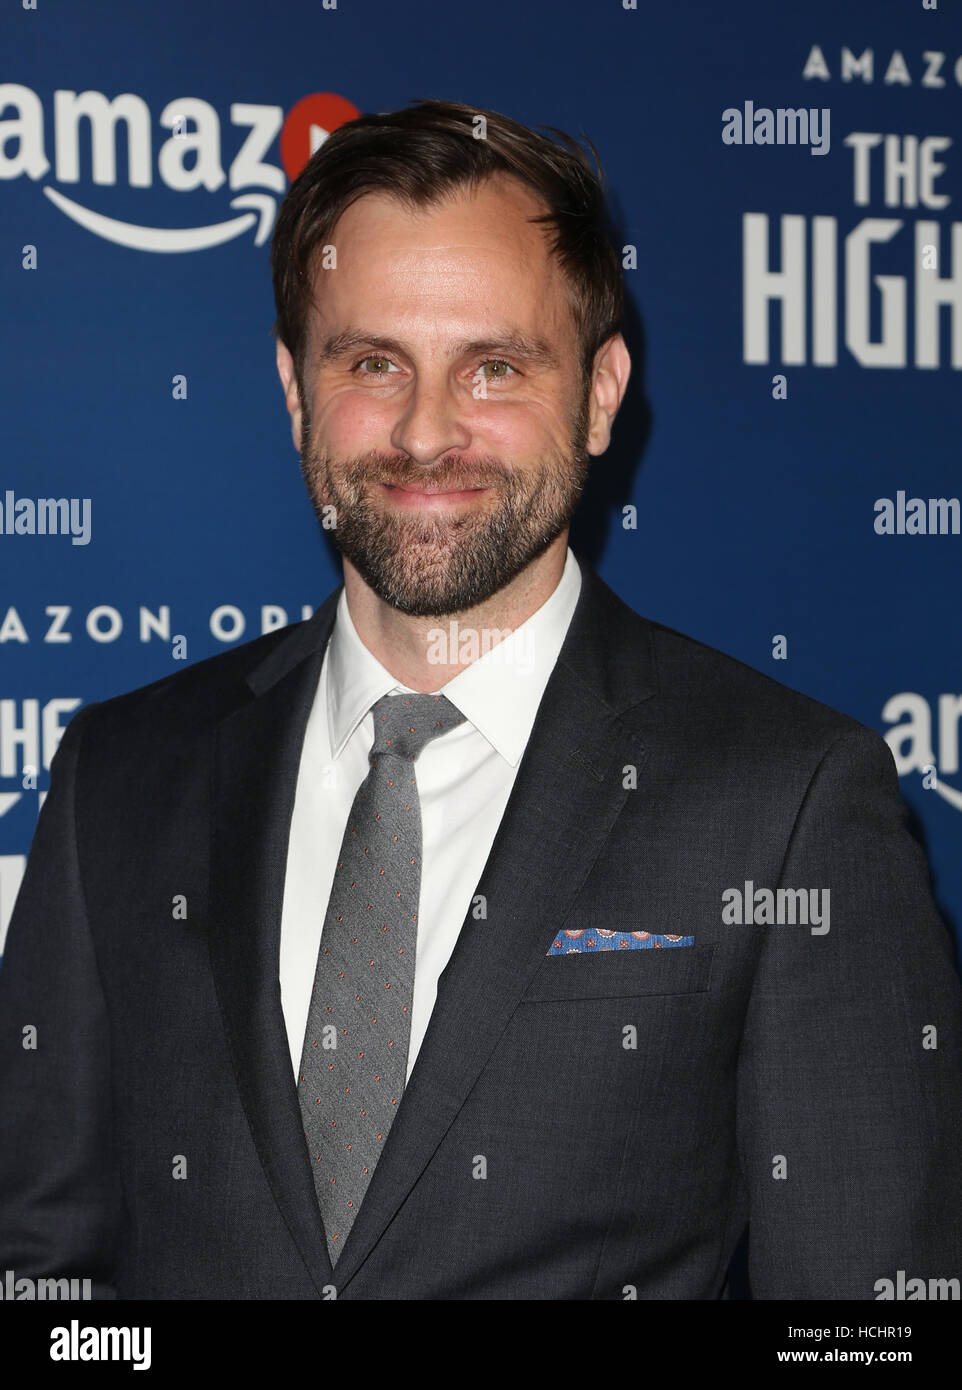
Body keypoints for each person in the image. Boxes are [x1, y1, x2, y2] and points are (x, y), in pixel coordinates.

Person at [1, 98, 960, 1301]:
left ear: (601, 393)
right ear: (296, 389)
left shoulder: (785, 796)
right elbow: (41, 1280)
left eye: (494, 367)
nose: (425, 432)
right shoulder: (121, 773)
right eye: (372, 364)